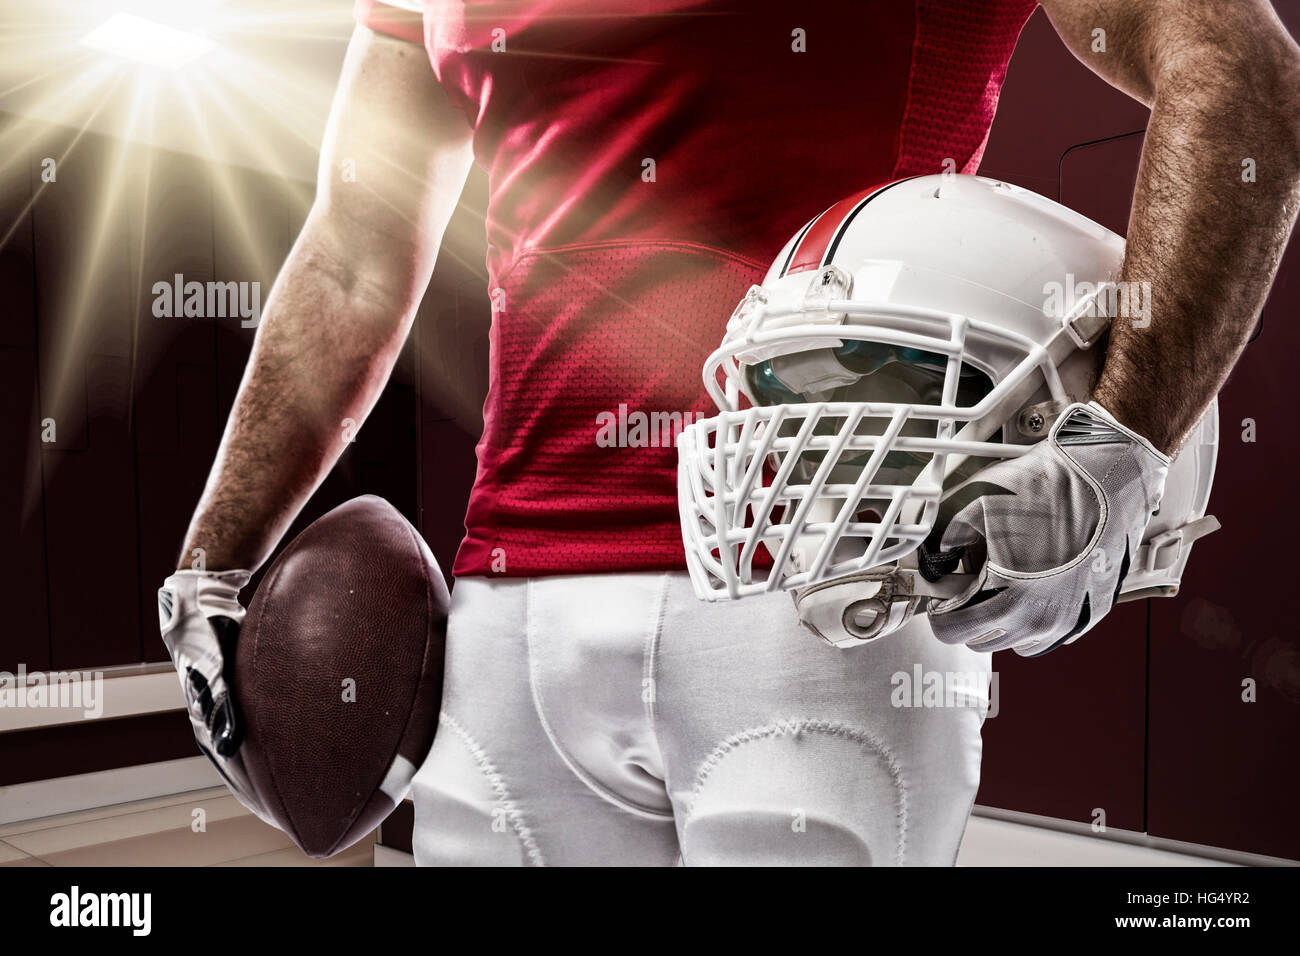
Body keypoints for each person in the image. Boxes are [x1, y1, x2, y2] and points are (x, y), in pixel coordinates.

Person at [160, 0, 1300, 865]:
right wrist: (211, 563)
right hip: (503, 615)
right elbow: (357, 245)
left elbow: (1240, 74)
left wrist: (1114, 448)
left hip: (823, 592)